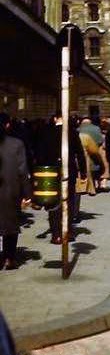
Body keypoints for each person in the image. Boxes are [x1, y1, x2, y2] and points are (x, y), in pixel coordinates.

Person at [35, 113, 87, 244]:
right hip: (69, 171)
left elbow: (39, 154)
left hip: (50, 172)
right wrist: (84, 172)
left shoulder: (45, 132)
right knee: (68, 202)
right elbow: (80, 153)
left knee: (53, 203)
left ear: (54, 119)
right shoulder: (72, 132)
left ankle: (55, 234)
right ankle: (67, 231)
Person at [0, 113, 28, 270]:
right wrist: (27, 193)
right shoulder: (16, 144)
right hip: (11, 190)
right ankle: (9, 258)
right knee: (10, 225)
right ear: (8, 125)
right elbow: (22, 170)